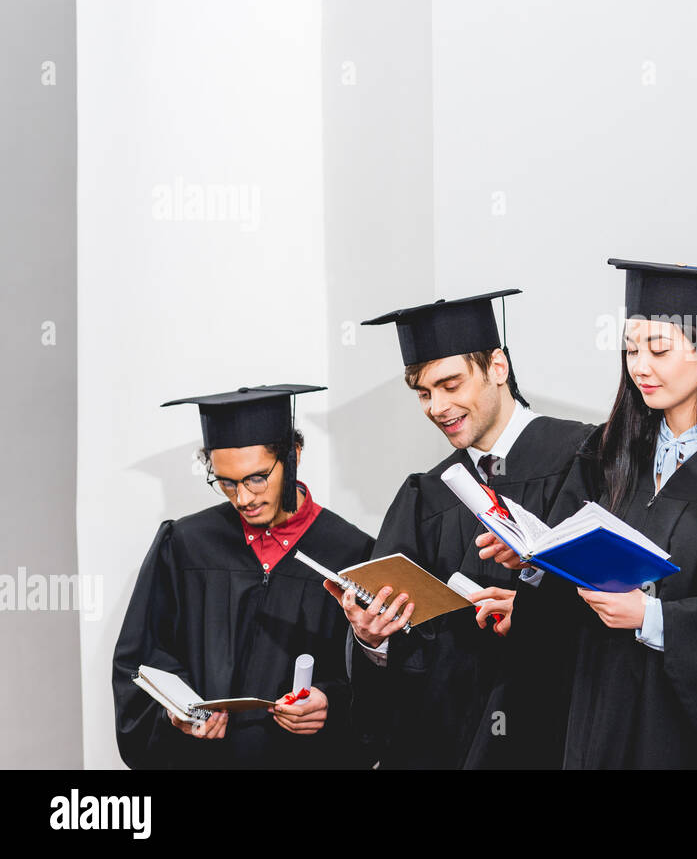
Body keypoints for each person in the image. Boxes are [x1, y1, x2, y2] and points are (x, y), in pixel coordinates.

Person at [494, 259, 697, 768]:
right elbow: (560, 594)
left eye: (659, 348)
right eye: (630, 349)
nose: (640, 366)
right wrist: (531, 561)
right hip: (599, 707)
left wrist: (654, 617)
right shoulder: (607, 455)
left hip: (681, 730)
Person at [338, 289, 593, 768]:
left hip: (554, 740)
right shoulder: (425, 497)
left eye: (450, 384)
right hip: (448, 748)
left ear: (498, 366)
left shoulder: (585, 456)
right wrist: (373, 640)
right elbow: (404, 659)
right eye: (423, 392)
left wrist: (542, 610)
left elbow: (623, 597)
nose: (436, 406)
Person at [112, 384, 374, 768]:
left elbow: (376, 678)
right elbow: (140, 660)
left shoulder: (351, 553)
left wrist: (329, 703)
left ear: (293, 456)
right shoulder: (185, 544)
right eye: (226, 483)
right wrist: (175, 709)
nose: (243, 498)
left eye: (256, 478)